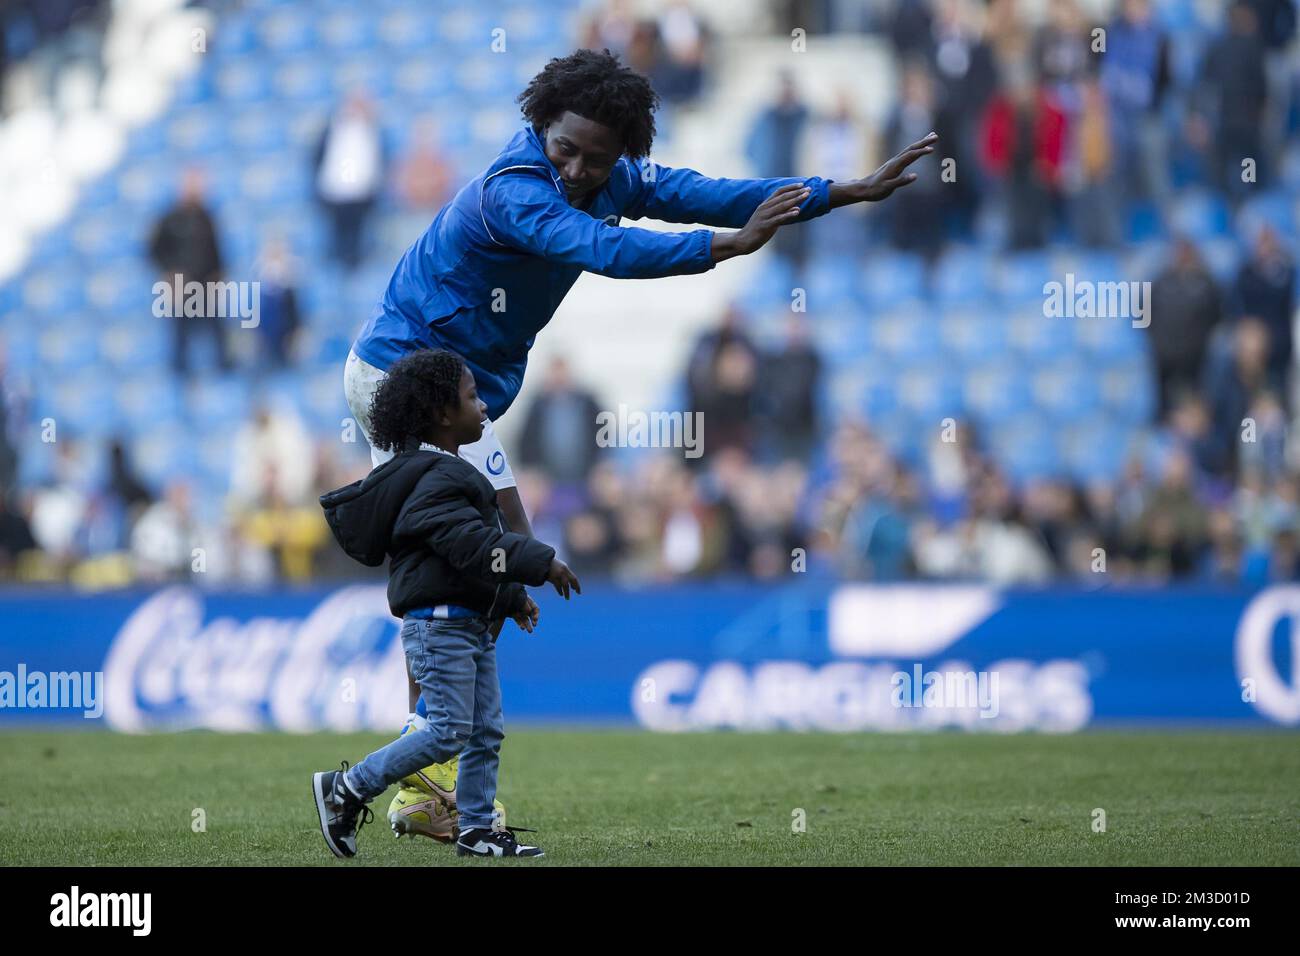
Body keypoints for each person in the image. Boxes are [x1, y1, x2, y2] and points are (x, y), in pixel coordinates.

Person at [342, 47, 936, 839]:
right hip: (402, 379)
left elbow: (703, 193)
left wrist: (836, 191)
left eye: (600, 156)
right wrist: (725, 250)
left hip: (463, 393)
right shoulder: (513, 192)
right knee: (456, 562)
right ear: (539, 126)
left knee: (508, 542)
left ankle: (435, 773)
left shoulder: (611, 174)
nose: (582, 169)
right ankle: (424, 785)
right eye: (566, 148)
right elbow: (605, 250)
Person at [312, 350, 581, 859]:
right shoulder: (436, 478)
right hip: (440, 628)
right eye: (471, 397)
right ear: (441, 415)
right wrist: (539, 562)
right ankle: (345, 789)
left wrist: (511, 596)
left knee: (484, 731)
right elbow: (472, 548)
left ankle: (476, 828)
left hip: (467, 623)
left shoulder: (442, 472)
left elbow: (467, 563)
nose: (483, 408)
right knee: (449, 731)